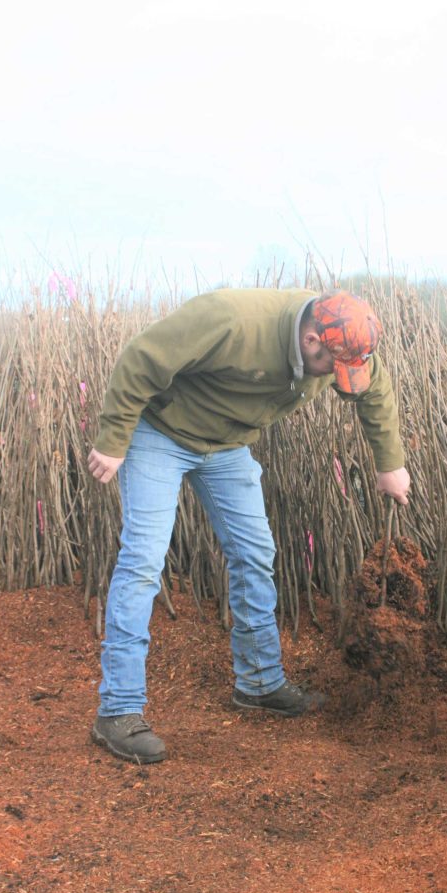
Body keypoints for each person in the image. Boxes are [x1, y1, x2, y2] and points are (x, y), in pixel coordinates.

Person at [87, 287, 410, 763]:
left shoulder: (344, 343)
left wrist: (390, 464)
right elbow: (141, 358)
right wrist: (114, 439)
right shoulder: (231, 320)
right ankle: (118, 710)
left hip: (226, 446)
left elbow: (374, 389)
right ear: (311, 340)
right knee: (143, 561)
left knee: (255, 552)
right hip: (161, 433)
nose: (339, 381)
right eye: (332, 367)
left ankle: (259, 683)